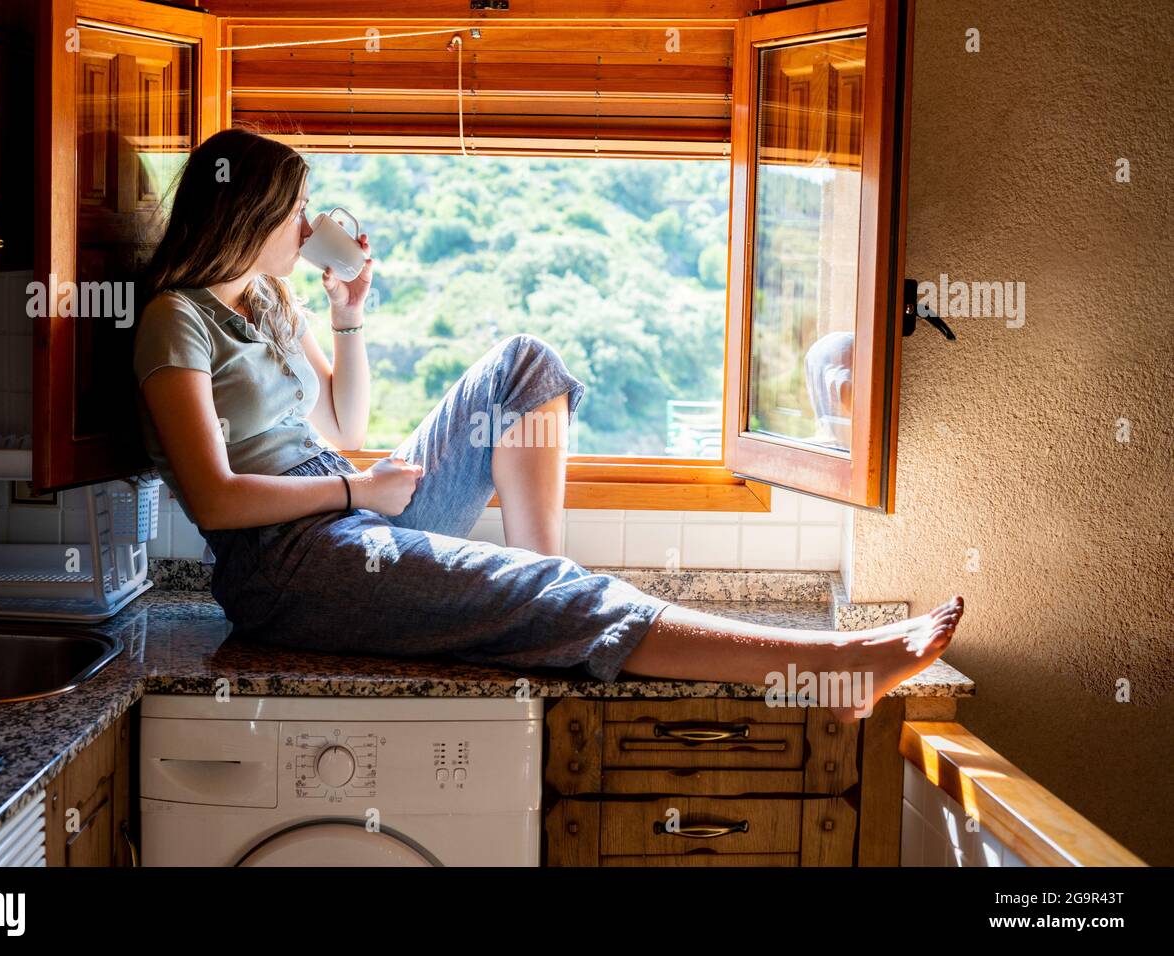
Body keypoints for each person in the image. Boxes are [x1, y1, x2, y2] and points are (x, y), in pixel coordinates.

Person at [131, 128, 962, 721]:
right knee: (566, 596)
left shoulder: (271, 301)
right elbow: (214, 500)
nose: (309, 227)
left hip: (345, 507)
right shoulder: (179, 319)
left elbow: (344, 418)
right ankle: (832, 670)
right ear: (250, 214)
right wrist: (361, 489)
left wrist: (348, 312)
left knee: (523, 363)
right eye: (298, 209)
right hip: (286, 563)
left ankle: (547, 594)